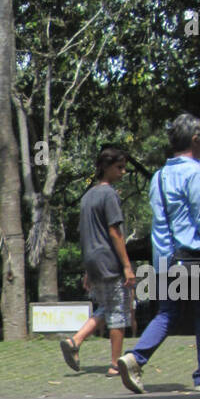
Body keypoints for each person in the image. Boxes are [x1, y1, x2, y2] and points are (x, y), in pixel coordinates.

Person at [118, 114, 200, 394]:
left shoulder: (159, 176)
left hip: (164, 258)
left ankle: (135, 357)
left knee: (167, 313)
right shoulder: (194, 172)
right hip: (191, 256)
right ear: (195, 139)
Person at [60, 146, 135, 376]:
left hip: (93, 260)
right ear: (106, 168)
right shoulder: (109, 194)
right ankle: (115, 365)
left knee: (106, 306)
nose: (123, 172)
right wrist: (126, 265)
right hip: (109, 259)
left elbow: (85, 234)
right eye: (119, 167)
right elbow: (115, 232)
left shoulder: (87, 196)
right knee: (118, 311)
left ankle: (76, 341)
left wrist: (87, 270)